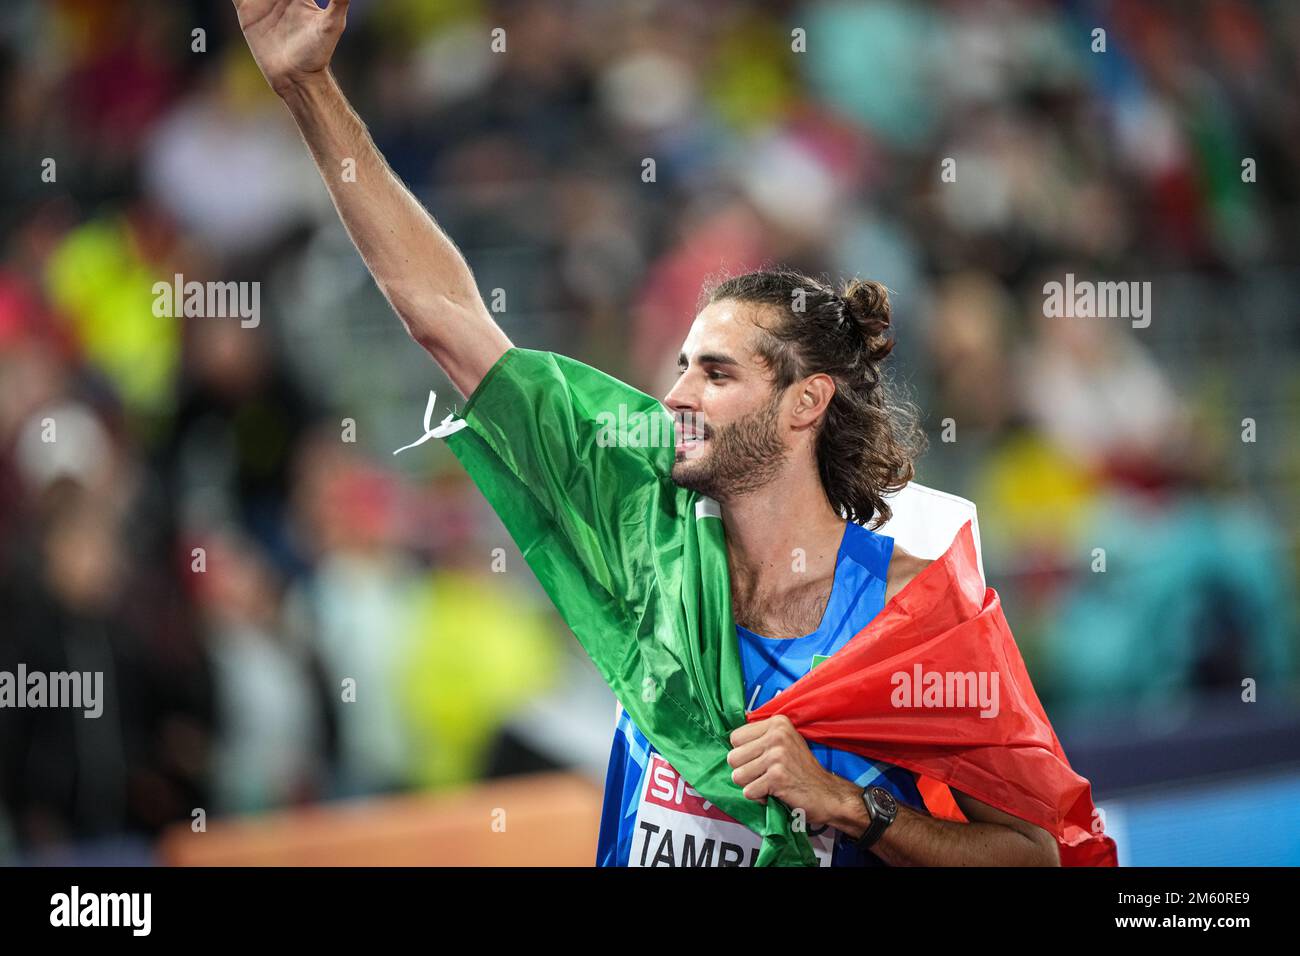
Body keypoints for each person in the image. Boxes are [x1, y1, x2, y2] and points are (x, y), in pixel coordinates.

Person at [230, 0, 1061, 866]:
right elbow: (448, 318)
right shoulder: (646, 525)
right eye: (680, 366)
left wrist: (851, 806)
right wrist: (310, 90)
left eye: (716, 372)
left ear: (805, 402)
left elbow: (1030, 857)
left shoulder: (914, 612)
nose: (674, 396)